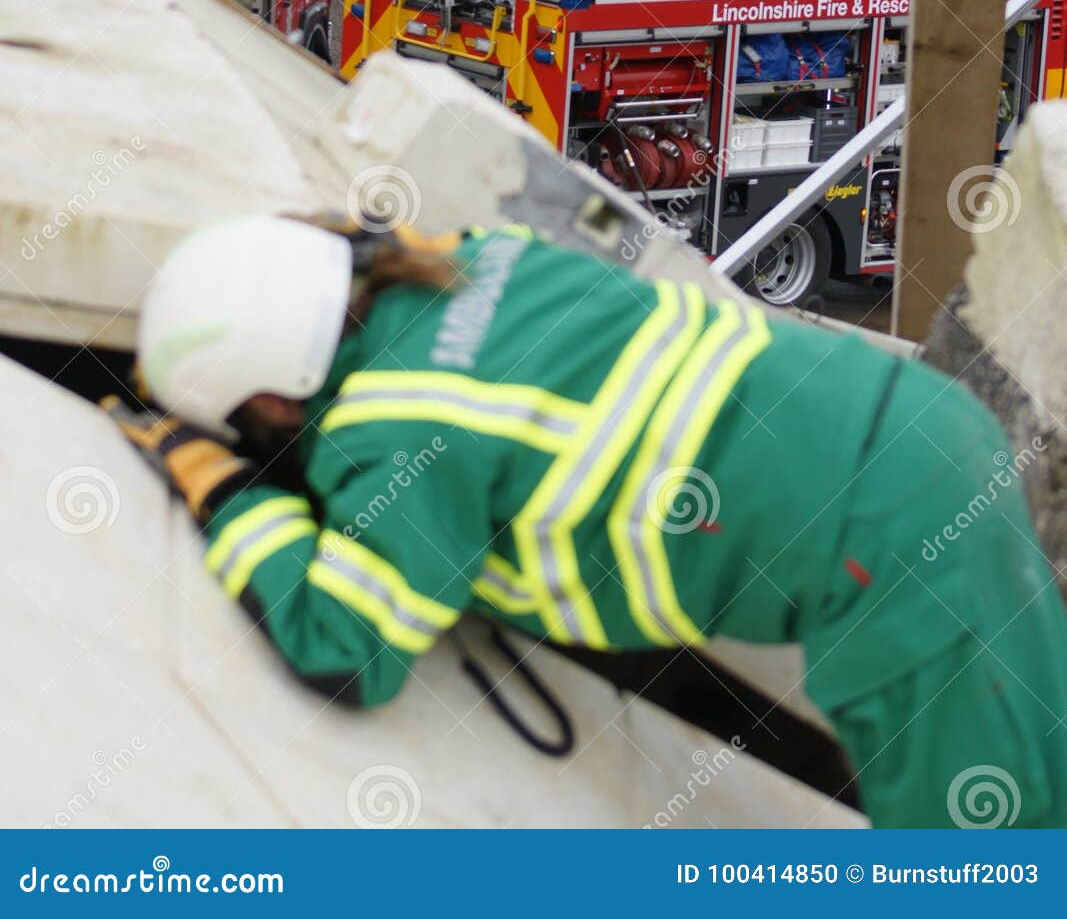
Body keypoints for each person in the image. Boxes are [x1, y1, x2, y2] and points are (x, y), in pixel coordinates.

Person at [106, 217, 1067, 829]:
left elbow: (345, 648)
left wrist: (225, 489)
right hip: (918, 427)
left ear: (270, 396)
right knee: (1038, 770)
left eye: (249, 424)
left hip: (880, 546)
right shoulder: (471, 263)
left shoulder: (393, 432)